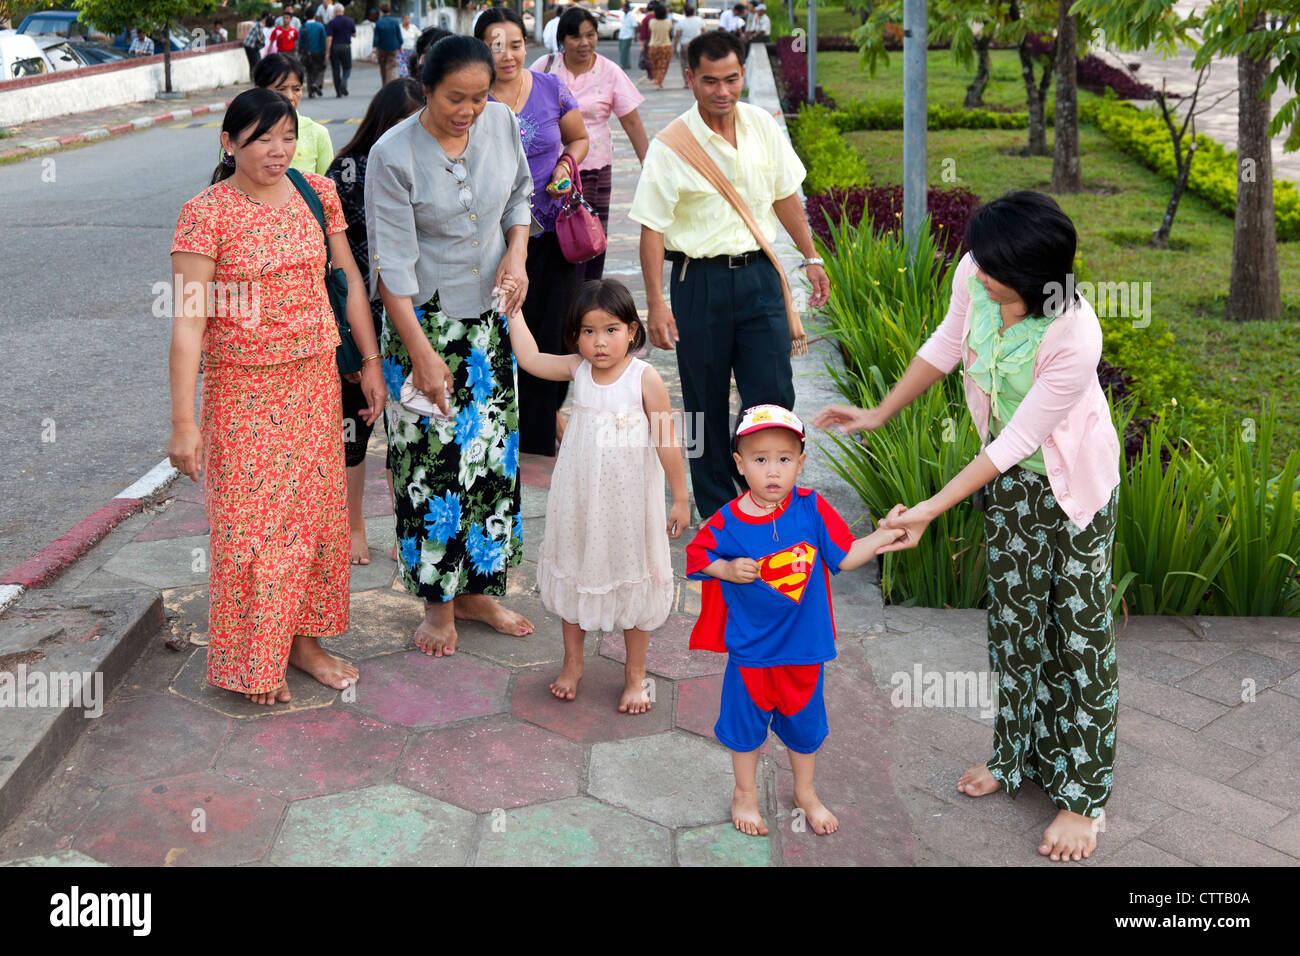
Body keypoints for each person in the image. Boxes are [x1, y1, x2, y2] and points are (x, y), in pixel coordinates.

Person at [813, 191, 1123, 863]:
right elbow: (947, 345)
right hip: (1009, 486)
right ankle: (1015, 756)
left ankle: (1083, 797)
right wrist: (878, 413)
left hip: (1073, 490)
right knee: (1014, 623)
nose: (975, 268)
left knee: (1079, 634)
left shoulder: (1074, 335)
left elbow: (1015, 440)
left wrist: (928, 509)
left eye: (992, 264)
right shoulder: (976, 275)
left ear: (1033, 274)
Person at [168, 88, 385, 705]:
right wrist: (184, 422)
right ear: (228, 143)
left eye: (286, 136)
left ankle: (306, 644)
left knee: (314, 519)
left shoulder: (317, 194)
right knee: (248, 526)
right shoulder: (205, 213)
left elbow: (347, 284)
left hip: (314, 381)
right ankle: (251, 660)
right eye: (262, 138)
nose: (277, 149)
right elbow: (187, 322)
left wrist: (368, 361)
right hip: (242, 390)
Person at [364, 34, 536, 655]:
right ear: (425, 88)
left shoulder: (502, 125)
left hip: (488, 318)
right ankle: (438, 605)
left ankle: (479, 589)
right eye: (454, 99)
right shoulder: (393, 154)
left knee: (489, 457)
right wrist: (421, 352)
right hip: (423, 323)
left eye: (479, 98)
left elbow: (519, 196)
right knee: (433, 467)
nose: (467, 111)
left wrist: (517, 255)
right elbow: (392, 268)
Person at [629, 30, 829, 522]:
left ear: (744, 75)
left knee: (774, 393)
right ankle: (718, 508)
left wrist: (812, 255)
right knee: (703, 399)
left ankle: (767, 497)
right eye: (711, 81)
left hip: (760, 278)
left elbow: (785, 196)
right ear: (690, 78)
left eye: (732, 79)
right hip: (699, 283)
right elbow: (651, 229)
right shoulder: (671, 145)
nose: (723, 91)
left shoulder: (762, 125)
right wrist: (655, 304)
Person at [686, 405, 907, 835]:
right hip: (751, 652)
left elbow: (844, 557)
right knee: (744, 727)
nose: (773, 471)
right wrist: (727, 570)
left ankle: (805, 792)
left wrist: (883, 536)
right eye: (760, 459)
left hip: (804, 650)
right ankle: (744, 793)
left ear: (801, 463)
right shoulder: (727, 521)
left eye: (785, 459)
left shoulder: (812, 508)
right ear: (739, 464)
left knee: (805, 727)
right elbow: (697, 556)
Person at [507, 279, 688, 714]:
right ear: (575, 337)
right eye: (588, 332)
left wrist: (680, 498)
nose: (599, 342)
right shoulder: (577, 370)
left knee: (634, 575)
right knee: (577, 567)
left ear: (632, 330)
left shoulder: (645, 380)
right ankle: (573, 663)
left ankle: (634, 674)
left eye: (610, 330)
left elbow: (667, 441)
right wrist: (511, 310)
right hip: (580, 500)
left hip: (630, 507)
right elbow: (530, 359)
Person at [476, 7, 589, 457]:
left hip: (553, 232)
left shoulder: (550, 88)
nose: (507, 55)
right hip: (493, 239)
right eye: (495, 45)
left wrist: (566, 163)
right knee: (499, 330)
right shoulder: (473, 99)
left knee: (553, 329)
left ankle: (540, 437)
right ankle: (495, 430)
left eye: (516, 44)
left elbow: (578, 138)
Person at [326, 77, 425, 565]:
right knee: (355, 432)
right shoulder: (345, 174)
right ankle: (354, 526)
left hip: (415, 317)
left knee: (410, 430)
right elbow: (331, 267)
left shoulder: (432, 164)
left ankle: (407, 531)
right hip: (360, 318)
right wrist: (348, 342)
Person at [531, 6, 648, 286]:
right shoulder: (545, 67)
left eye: (590, 35)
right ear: (562, 39)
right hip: (548, 172)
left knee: (588, 239)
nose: (584, 43)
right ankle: (555, 300)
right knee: (549, 239)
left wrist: (649, 166)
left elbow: (631, 123)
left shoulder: (609, 72)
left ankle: (586, 300)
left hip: (593, 172)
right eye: (575, 36)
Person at [253, 54, 334, 175]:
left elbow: (328, 189)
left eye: (296, 89)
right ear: (259, 91)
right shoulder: (243, 134)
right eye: (281, 89)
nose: (290, 97)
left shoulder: (318, 134)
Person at [325, 2, 356, 97]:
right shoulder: (350, 21)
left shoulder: (331, 22)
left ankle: (338, 92)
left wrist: (327, 52)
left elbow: (329, 38)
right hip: (346, 46)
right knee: (347, 67)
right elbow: (354, 35)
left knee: (336, 70)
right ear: (343, 11)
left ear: (334, 11)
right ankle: (344, 82)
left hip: (335, 47)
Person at [673, 4, 705, 87]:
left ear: (684, 12)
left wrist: (675, 47)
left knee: (685, 64)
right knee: (697, 63)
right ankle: (696, 80)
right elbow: (704, 33)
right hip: (698, 44)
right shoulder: (699, 20)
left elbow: (677, 36)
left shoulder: (681, 23)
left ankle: (687, 82)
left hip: (685, 45)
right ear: (693, 11)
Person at [373, 1, 402, 86]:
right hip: (393, 48)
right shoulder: (395, 22)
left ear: (381, 11)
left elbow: (376, 38)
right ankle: (389, 86)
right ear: (389, 10)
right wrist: (400, 46)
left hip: (381, 48)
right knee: (390, 67)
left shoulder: (378, 22)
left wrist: (374, 51)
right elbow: (399, 35)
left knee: (382, 67)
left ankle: (384, 86)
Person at [300, 10, 328, 97]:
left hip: (306, 53)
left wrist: (301, 52)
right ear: (314, 16)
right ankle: (316, 84)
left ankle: (310, 92)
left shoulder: (302, 27)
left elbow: (300, 41)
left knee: (309, 71)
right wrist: (324, 52)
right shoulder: (320, 26)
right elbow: (323, 40)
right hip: (318, 51)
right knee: (320, 69)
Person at [646, 4, 673, 90]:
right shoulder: (668, 22)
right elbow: (670, 32)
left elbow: (650, 31)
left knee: (654, 65)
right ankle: (659, 82)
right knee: (663, 66)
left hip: (653, 46)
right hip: (665, 46)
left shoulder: (651, 22)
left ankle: (656, 80)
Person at [618, 2, 637, 69]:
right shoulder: (624, 15)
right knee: (622, 50)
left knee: (624, 51)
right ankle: (627, 64)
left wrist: (635, 36)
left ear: (627, 8)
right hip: (622, 35)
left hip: (628, 36)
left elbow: (635, 26)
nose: (623, 9)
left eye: (624, 7)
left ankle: (624, 65)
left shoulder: (631, 15)